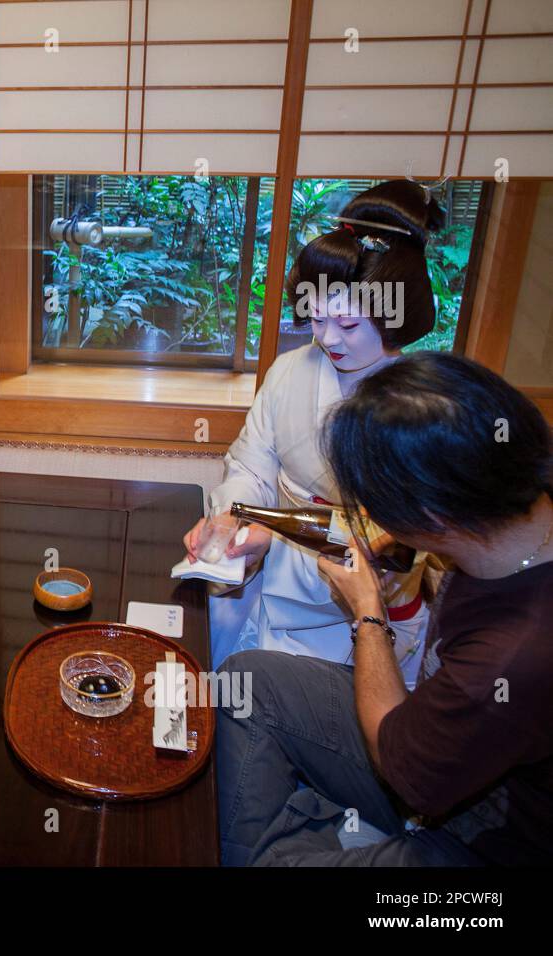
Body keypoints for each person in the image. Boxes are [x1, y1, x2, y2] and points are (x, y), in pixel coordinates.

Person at [216, 352, 553, 865]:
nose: (369, 516)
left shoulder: (513, 656)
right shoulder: (514, 496)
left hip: (483, 836)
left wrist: (368, 612)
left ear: (436, 515)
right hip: (444, 748)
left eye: (376, 504)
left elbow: (406, 772)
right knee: (246, 682)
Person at [183, 180, 442, 679]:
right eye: (316, 319)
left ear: (396, 314)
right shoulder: (289, 371)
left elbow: (385, 561)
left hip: (359, 614)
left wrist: (267, 539)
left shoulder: (424, 410)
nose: (326, 339)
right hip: (269, 584)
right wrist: (232, 522)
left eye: (347, 325)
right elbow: (251, 464)